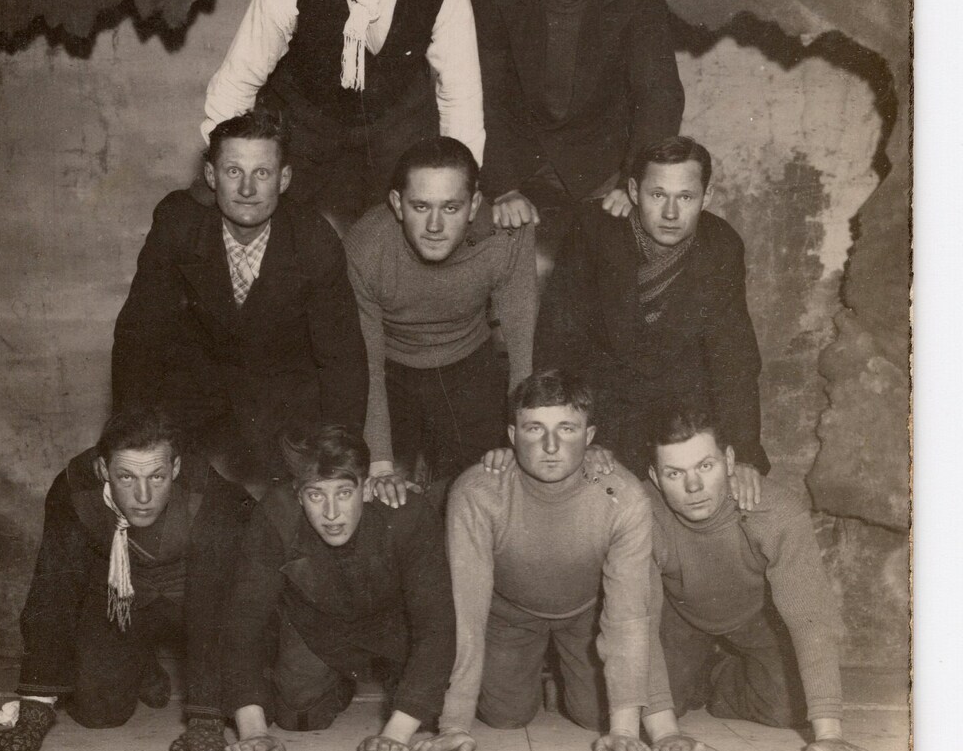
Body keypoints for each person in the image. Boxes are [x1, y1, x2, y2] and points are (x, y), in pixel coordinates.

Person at [415, 369, 694, 751]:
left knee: (595, 716)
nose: (550, 446)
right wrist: (454, 723)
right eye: (534, 429)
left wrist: (623, 731)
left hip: (587, 615)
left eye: (566, 429)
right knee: (505, 716)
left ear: (590, 436)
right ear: (512, 436)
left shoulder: (623, 495)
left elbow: (628, 618)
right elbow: (467, 611)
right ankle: (535, 679)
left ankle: (563, 685)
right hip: (509, 615)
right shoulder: (478, 491)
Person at [201, 0, 485, 228]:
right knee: (258, 227)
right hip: (303, 131)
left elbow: (461, 96)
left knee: (418, 227)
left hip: (396, 132)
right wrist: (226, 172)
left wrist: (462, 184)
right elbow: (237, 82)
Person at [0, 409, 251, 751]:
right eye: (126, 477)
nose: (143, 496)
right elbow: (53, 593)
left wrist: (205, 719)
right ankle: (140, 663)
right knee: (97, 714)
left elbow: (213, 607)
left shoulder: (212, 496)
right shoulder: (73, 491)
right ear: (103, 470)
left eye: (157, 477)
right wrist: (33, 714)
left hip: (194, 593)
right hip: (121, 595)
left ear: (177, 468)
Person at [112, 107, 368, 486]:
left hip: (285, 387)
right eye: (234, 171)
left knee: (317, 488)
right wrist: (129, 435)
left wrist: (342, 458)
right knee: (149, 473)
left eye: (261, 173)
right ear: (210, 176)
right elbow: (140, 334)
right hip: (197, 380)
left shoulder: (314, 241)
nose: (247, 189)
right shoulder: (178, 223)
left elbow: (341, 359)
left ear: (284, 179)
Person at [173, 425, 456, 751]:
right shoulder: (276, 513)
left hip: (395, 628)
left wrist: (395, 735)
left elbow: (436, 626)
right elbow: (244, 623)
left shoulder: (410, 513)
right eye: (316, 495)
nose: (331, 513)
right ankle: (340, 683)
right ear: (297, 493)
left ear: (367, 489)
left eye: (344, 493)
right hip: (321, 629)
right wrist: (253, 732)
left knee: (433, 710)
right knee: (298, 717)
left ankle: (395, 681)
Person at [535, 136, 769, 493]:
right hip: (603, 409)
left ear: (706, 197)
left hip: (681, 410)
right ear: (633, 191)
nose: (671, 213)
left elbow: (733, 358)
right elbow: (559, 341)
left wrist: (745, 452)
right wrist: (579, 435)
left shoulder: (721, 245)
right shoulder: (594, 230)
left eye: (685, 197)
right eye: (658, 195)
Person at [645, 405, 876, 751]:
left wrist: (829, 732)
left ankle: (719, 677)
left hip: (755, 617)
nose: (693, 487)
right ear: (655, 478)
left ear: (730, 461)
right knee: (635, 708)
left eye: (705, 466)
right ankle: (693, 674)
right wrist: (665, 730)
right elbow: (634, 619)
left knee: (789, 708)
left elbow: (811, 617)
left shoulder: (776, 510)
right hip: (679, 616)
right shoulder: (639, 514)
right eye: (674, 473)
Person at [474, 0, 684, 247]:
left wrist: (633, 181)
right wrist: (502, 186)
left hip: (599, 164)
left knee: (626, 250)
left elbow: (659, 93)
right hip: (515, 158)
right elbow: (482, 94)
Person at [344, 136, 537, 501]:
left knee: (489, 490)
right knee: (385, 498)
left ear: (474, 205)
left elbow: (521, 347)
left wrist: (523, 438)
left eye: (451, 207)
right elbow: (367, 364)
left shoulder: (507, 235)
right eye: (420, 206)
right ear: (397, 204)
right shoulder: (366, 246)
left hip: (469, 364)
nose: (434, 225)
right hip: (391, 371)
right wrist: (380, 464)